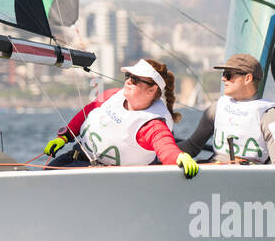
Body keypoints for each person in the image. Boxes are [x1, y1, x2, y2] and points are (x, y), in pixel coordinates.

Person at [42, 58, 199, 177]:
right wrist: (64, 137)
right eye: (128, 76)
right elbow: (86, 113)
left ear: (152, 90)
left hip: (106, 178)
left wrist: (179, 157)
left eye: (136, 79)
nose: (129, 80)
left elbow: (166, 148)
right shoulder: (112, 95)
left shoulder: (152, 124)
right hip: (73, 159)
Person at [177, 53, 275, 164]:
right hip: (215, 171)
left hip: (250, 177)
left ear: (248, 78)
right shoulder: (216, 108)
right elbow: (192, 146)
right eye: (223, 74)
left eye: (228, 75)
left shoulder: (270, 115)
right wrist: (164, 154)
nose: (223, 79)